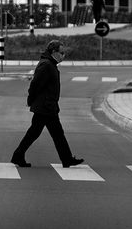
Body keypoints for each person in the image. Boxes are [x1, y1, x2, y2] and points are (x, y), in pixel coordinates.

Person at [11, 40, 84, 168]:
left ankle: (66, 159)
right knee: (45, 133)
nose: (63, 56)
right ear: (53, 52)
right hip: (45, 107)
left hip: (48, 106)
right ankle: (18, 155)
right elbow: (35, 84)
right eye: (61, 53)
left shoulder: (50, 64)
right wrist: (30, 99)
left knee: (49, 133)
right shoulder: (46, 65)